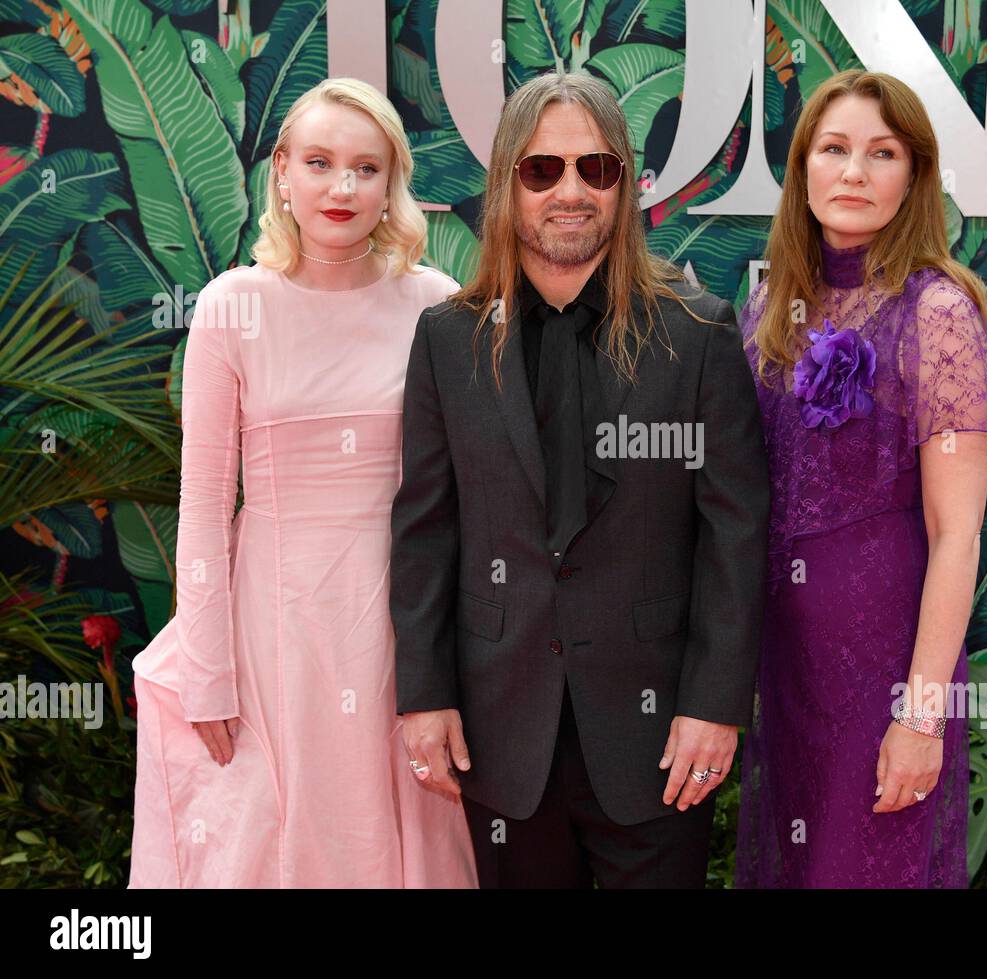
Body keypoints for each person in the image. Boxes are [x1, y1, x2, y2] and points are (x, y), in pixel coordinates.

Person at [389, 70, 769, 889]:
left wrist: (715, 703)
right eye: (542, 169)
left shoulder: (696, 331)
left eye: (595, 169)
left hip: (658, 734)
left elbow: (734, 536)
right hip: (500, 730)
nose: (570, 191)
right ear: (506, 184)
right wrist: (423, 696)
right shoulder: (448, 340)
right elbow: (425, 530)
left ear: (625, 185)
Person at [128, 78, 477, 888]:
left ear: (393, 182)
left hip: (402, 622)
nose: (342, 187)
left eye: (366, 167)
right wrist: (209, 668)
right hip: (269, 628)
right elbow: (206, 503)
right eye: (319, 162)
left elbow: (469, 496)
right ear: (281, 171)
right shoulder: (230, 308)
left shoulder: (437, 305)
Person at [734, 70, 987, 888]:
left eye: (881, 152)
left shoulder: (939, 312)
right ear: (803, 170)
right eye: (835, 149)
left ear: (914, 176)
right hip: (790, 670)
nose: (854, 172)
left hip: (886, 673)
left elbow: (957, 534)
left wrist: (921, 716)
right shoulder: (771, 304)